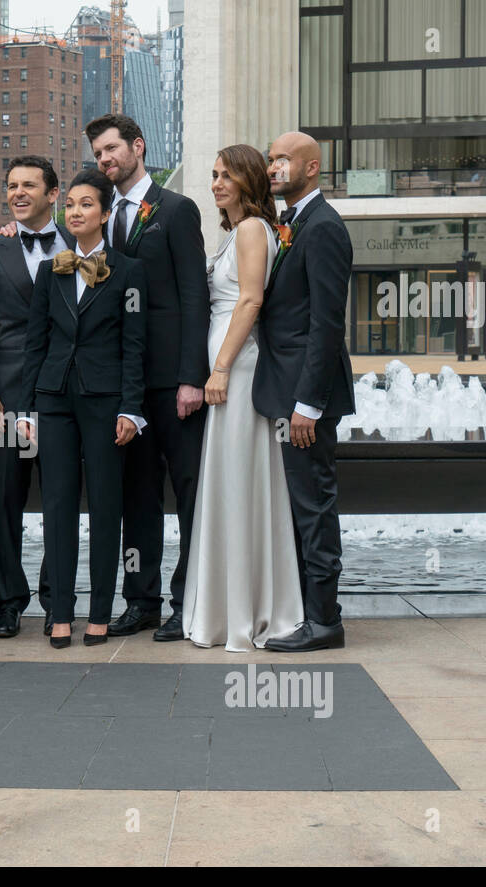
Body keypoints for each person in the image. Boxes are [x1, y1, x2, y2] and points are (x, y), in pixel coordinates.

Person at [85, 114, 210, 643]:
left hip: (171, 384)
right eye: (97, 154)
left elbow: (193, 296)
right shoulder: (100, 217)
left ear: (138, 146)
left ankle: (191, 602)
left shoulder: (177, 211)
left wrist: (191, 378)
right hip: (123, 386)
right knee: (136, 496)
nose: (105, 159)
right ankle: (141, 601)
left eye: (112, 149)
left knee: (188, 494)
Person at [17, 168, 147, 649]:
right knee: (57, 507)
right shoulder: (50, 270)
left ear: (106, 213)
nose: (75, 211)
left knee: (106, 507)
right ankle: (60, 613)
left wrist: (131, 409)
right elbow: (36, 344)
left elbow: (135, 346)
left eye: (86, 204)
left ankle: (100, 612)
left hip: (106, 400)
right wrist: (27, 409)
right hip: (53, 400)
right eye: (70, 204)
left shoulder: (130, 272)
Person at [181, 145, 303, 651]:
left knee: (239, 484)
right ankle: (228, 608)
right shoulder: (233, 232)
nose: (215, 183)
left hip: (239, 369)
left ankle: (243, 613)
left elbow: (250, 299)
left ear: (249, 180)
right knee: (230, 484)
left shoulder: (252, 229)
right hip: (227, 368)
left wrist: (221, 368)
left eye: (226, 175)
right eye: (212, 175)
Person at [253, 131, 356, 652]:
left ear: (311, 168)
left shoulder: (323, 228)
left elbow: (326, 324)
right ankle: (304, 611)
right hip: (284, 392)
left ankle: (325, 620)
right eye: (270, 160)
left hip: (305, 401)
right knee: (298, 505)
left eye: (283, 160)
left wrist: (308, 404)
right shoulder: (289, 224)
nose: (274, 168)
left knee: (314, 505)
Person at [0, 156, 70, 638]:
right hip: (4, 398)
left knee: (60, 503)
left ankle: (56, 600)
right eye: (11, 186)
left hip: (66, 395)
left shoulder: (81, 243)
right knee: (3, 502)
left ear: (54, 194)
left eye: (29, 185)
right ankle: (7, 601)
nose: (17, 193)